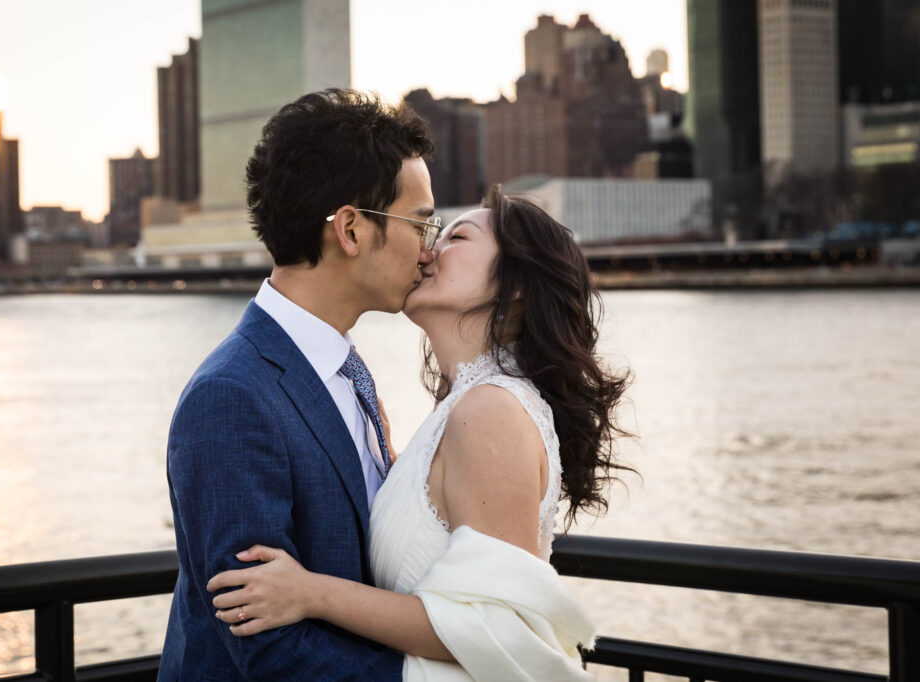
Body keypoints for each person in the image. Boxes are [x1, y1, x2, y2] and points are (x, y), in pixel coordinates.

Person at [207, 187, 632, 680]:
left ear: (514, 285)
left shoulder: (490, 409)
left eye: (458, 237)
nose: (428, 250)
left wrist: (311, 594)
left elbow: (490, 627)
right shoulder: (463, 406)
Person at [158, 89, 440, 680]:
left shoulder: (347, 368)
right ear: (351, 230)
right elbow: (266, 649)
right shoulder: (231, 397)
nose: (429, 248)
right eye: (420, 224)